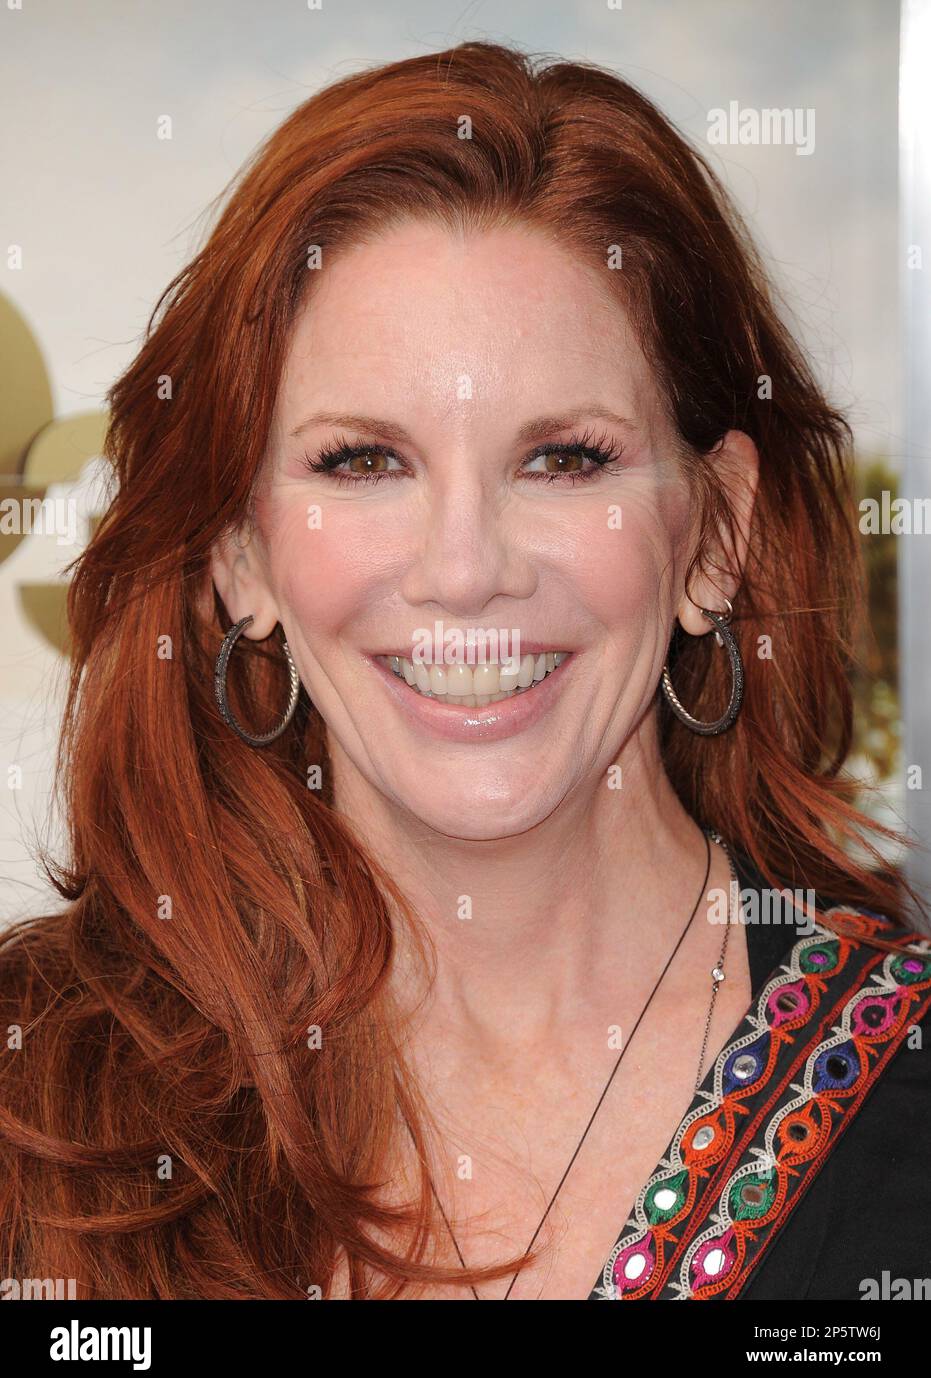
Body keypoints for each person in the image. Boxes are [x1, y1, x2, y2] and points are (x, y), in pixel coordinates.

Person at [1, 40, 928, 1302]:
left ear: (717, 534)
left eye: (563, 459)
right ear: (240, 556)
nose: (462, 568)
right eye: (361, 462)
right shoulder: (36, 1103)